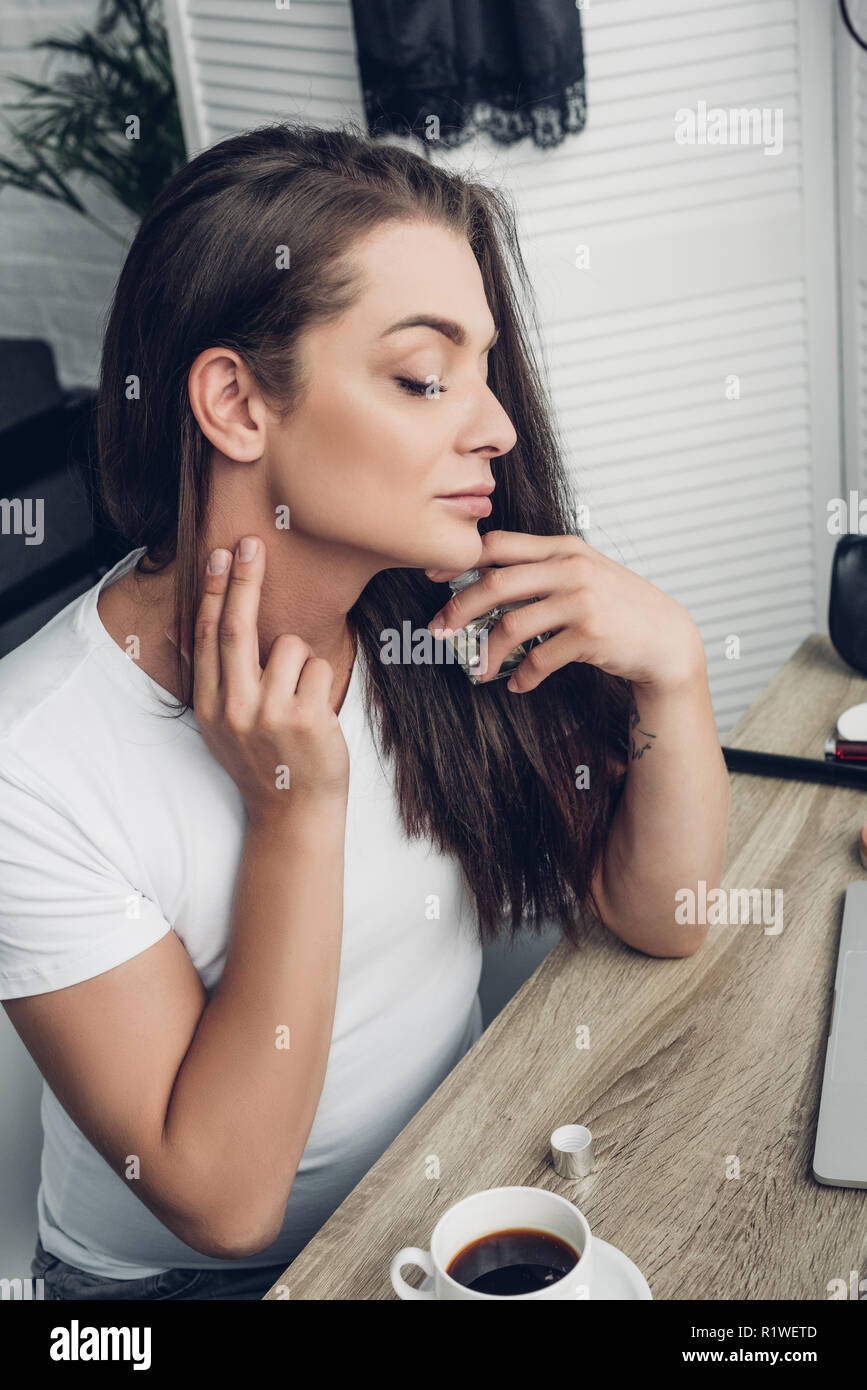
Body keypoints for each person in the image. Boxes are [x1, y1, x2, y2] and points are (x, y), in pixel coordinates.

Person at [0, 121, 729, 1300]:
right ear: (236, 402)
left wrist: (674, 671)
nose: (493, 425)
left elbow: (669, 915)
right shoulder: (30, 756)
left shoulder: (432, 624)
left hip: (452, 1193)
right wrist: (295, 817)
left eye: (484, 368)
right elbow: (227, 1202)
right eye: (423, 375)